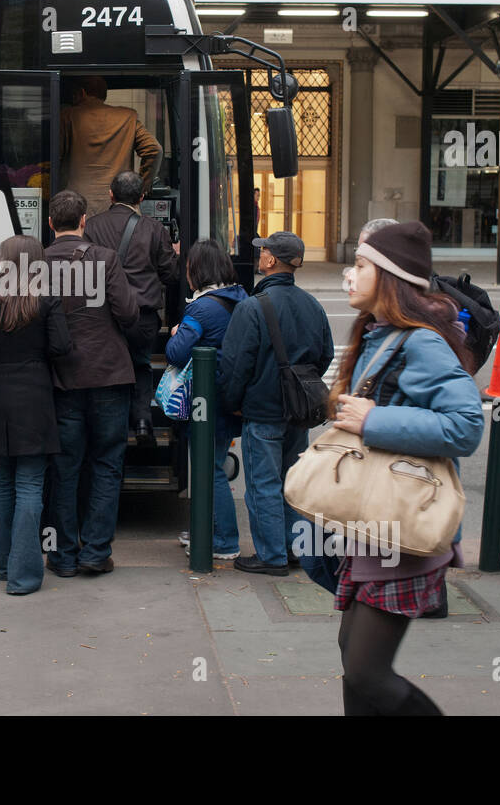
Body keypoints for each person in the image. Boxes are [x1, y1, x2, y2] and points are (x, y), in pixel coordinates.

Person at [329, 220, 484, 715]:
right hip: (374, 523)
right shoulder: (381, 334)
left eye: (359, 265)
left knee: (367, 673)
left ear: (389, 276)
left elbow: (465, 427)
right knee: (352, 659)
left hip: (402, 528)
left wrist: (374, 418)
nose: (348, 277)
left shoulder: (420, 342)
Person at [218, 231, 332, 575]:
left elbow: (236, 366)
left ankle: (271, 556)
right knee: (291, 484)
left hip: (262, 410)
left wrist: (233, 402)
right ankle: (294, 549)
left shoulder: (253, 306)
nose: (259, 255)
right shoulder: (312, 304)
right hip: (299, 411)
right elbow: (324, 356)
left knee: (263, 484)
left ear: (271, 261)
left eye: (262, 251)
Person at [44, 190, 139, 577]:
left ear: (51, 224)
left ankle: (63, 555)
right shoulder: (105, 258)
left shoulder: (36, 263)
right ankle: (96, 552)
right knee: (106, 463)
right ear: (84, 221)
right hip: (108, 374)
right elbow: (129, 314)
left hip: (61, 377)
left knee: (65, 468)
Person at [0, 235, 71, 595]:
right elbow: (62, 347)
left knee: (2, 481)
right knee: (30, 485)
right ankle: (24, 575)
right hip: (34, 398)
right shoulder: (46, 297)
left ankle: (2, 565)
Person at [85, 170, 181, 446]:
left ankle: (108, 430)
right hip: (143, 315)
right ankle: (141, 423)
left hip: (103, 314)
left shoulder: (92, 226)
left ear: (111, 195)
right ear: (142, 197)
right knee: (140, 367)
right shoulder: (153, 228)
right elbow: (170, 275)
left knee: (107, 369)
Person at [167, 239, 247, 560]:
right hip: (230, 396)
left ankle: (224, 541)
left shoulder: (201, 308)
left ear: (196, 271)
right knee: (212, 466)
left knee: (209, 469)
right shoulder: (239, 299)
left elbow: (176, 353)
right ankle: (207, 529)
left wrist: (175, 333)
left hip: (206, 401)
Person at [60, 75, 162, 217]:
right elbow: (154, 149)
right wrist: (141, 188)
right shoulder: (127, 116)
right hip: (118, 206)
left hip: (76, 206)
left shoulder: (68, 116)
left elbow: (55, 155)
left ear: (81, 93)